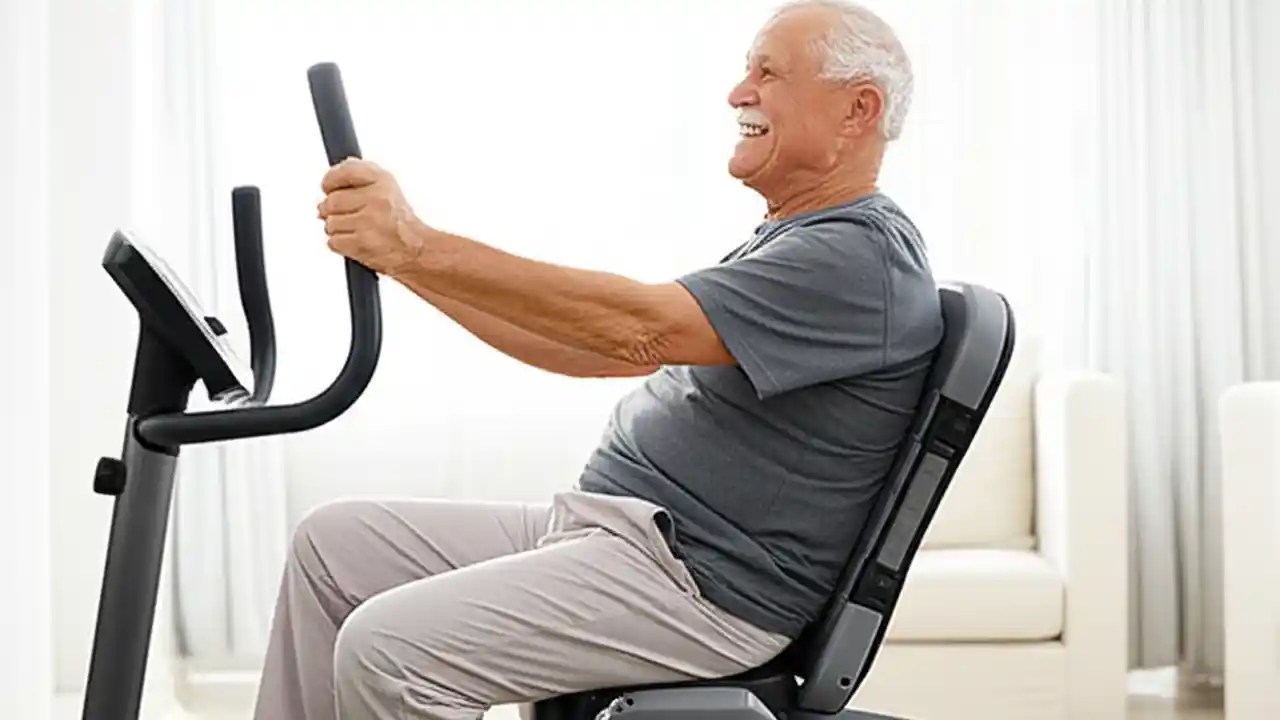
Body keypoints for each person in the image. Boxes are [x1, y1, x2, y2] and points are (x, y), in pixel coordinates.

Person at [252, 1, 943, 718]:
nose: (739, 92)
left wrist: (416, 243)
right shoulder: (797, 242)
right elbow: (591, 349)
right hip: (621, 534)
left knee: (390, 653)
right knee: (332, 547)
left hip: (698, 585)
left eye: (768, 73)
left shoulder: (859, 257)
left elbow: (635, 328)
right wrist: (402, 261)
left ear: (858, 110)